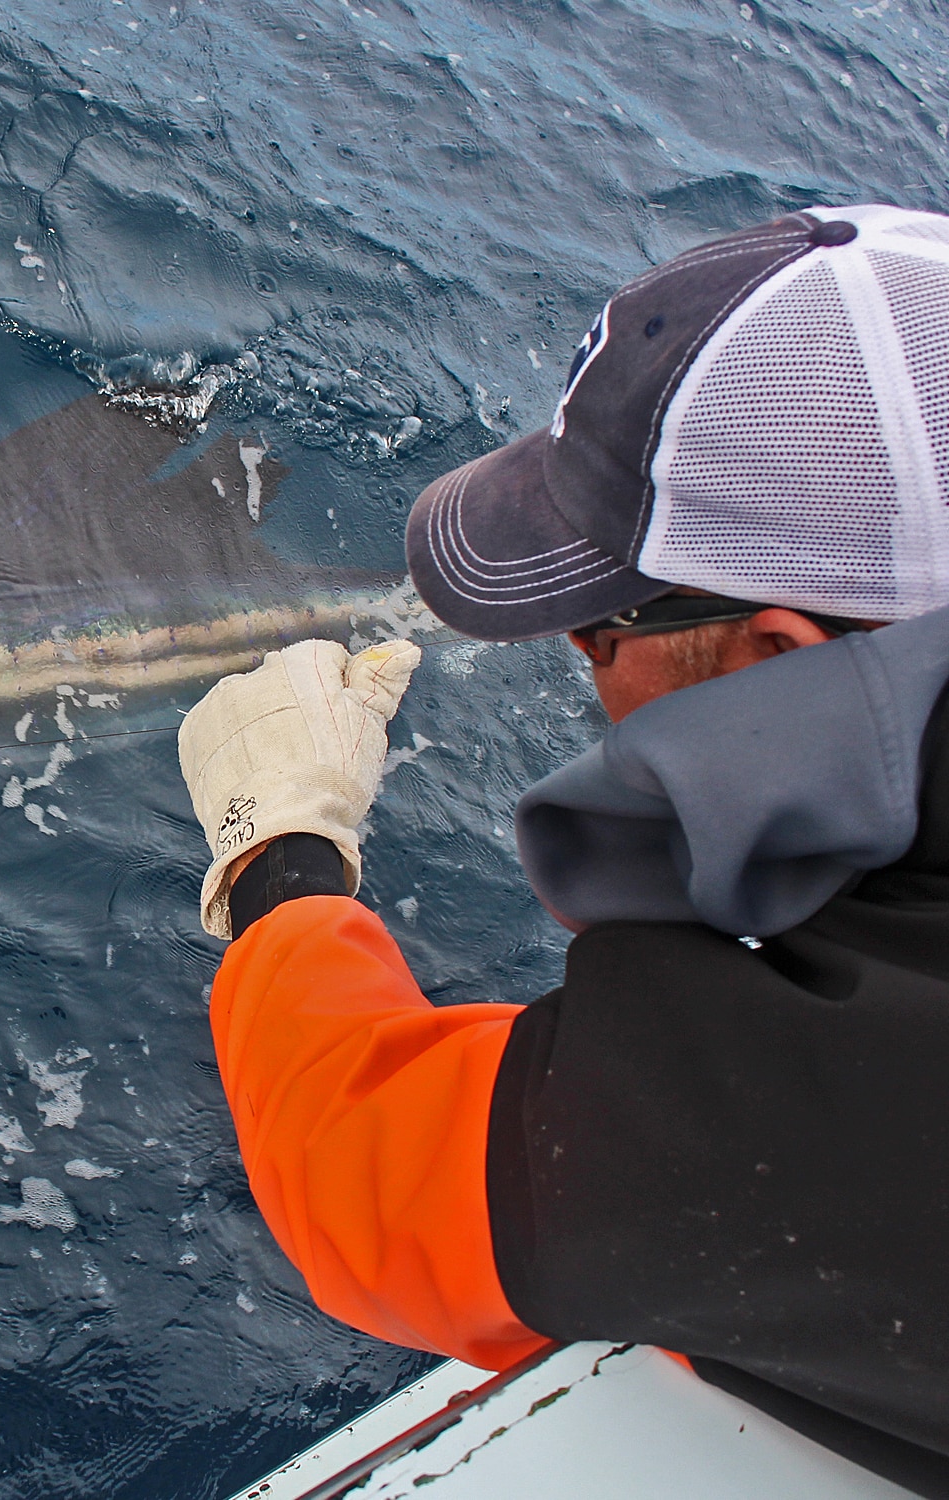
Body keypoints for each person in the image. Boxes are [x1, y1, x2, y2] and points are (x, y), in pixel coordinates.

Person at [178, 204, 949, 1492]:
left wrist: (282, 852)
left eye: (601, 627)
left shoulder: (819, 1106)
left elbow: (376, 1179)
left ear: (776, 655)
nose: (580, 658)